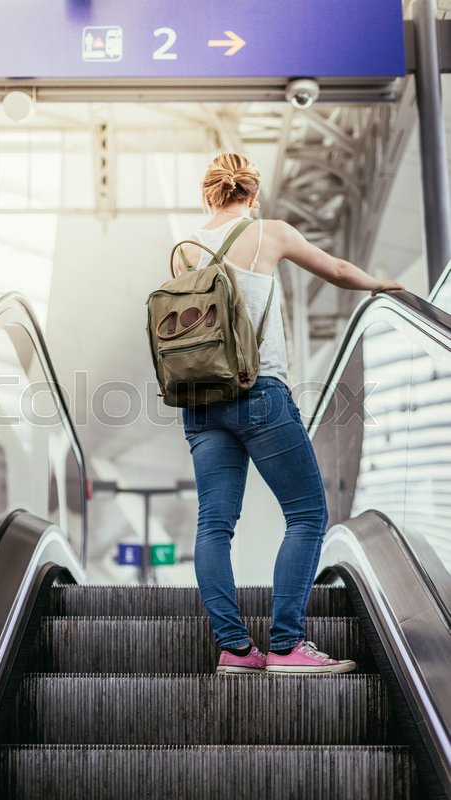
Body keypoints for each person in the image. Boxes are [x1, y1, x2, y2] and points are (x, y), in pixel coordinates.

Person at [175, 152, 404, 675]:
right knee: (306, 514)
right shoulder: (267, 232)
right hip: (259, 393)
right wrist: (380, 285)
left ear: (208, 195)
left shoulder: (185, 249)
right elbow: (339, 270)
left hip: (199, 400)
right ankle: (286, 645)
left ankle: (234, 649)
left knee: (215, 524)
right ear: (252, 194)